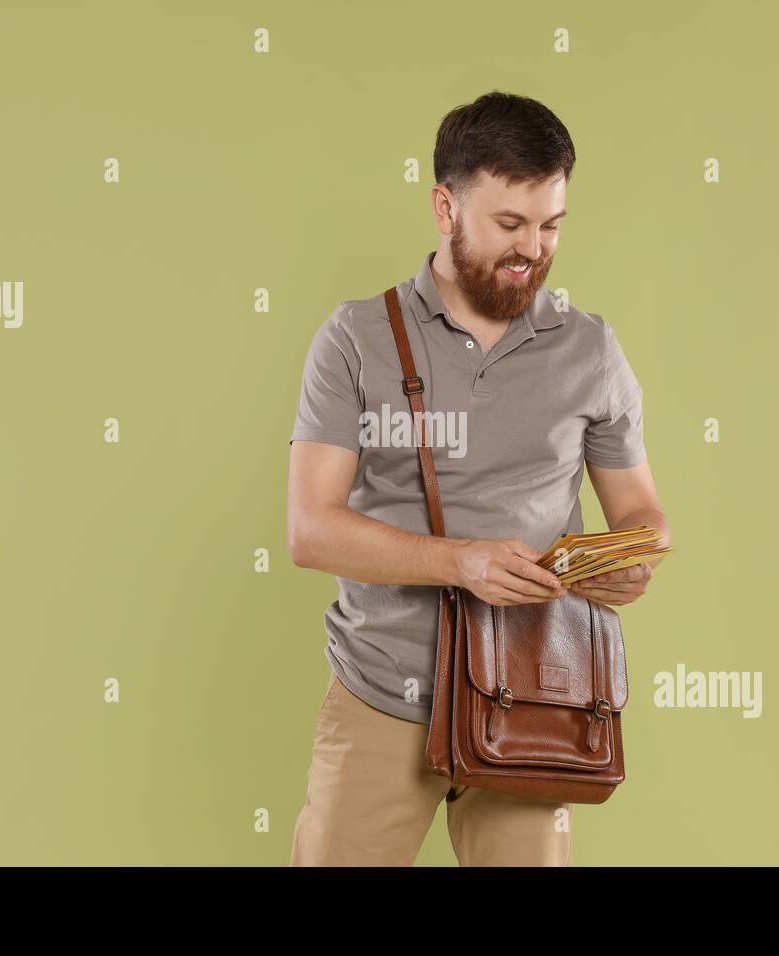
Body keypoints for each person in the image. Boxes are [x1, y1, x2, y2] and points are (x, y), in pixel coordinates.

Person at [286, 90, 671, 866]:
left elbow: (642, 514)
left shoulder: (590, 349)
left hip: (535, 693)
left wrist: (626, 562)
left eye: (550, 225)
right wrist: (460, 563)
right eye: (509, 224)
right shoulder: (357, 339)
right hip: (382, 692)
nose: (532, 246)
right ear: (444, 206)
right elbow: (310, 529)